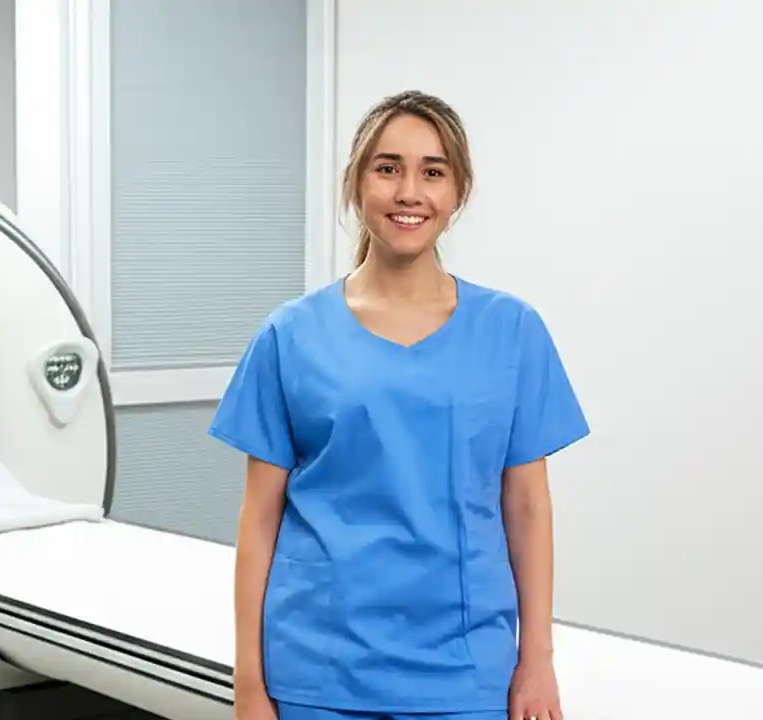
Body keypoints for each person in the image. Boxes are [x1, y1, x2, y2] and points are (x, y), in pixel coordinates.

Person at [208, 89, 590, 720]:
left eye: (432, 172)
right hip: (319, 670)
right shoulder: (291, 335)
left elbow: (526, 505)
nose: (409, 192)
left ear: (457, 192)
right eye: (388, 168)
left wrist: (537, 661)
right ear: (357, 183)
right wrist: (248, 683)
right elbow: (259, 518)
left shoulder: (511, 331)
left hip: (464, 674)